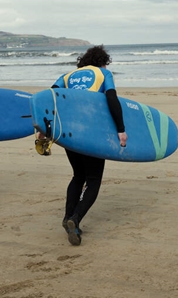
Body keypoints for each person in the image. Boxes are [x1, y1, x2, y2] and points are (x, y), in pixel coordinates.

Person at [37, 45, 127, 246]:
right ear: (102, 61)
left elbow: (49, 99)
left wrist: (43, 128)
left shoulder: (67, 76)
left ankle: (68, 219)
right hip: (93, 133)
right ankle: (75, 218)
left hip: (69, 133)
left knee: (79, 175)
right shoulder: (103, 73)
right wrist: (121, 129)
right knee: (93, 179)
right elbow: (112, 99)